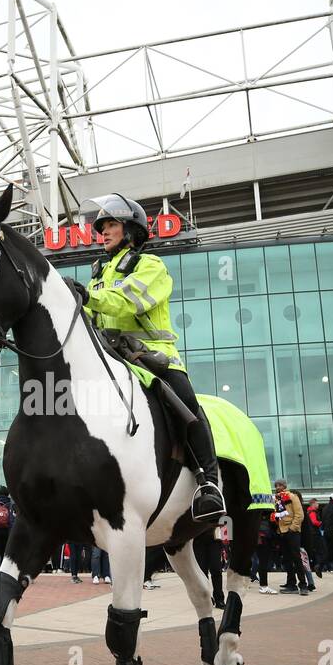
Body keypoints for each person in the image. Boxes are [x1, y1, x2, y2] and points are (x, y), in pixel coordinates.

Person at [80, 192, 224, 522]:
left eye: (111, 224)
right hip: (113, 359)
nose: (103, 231)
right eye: (101, 226)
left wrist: (88, 296)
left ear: (131, 231)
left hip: (155, 359)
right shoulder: (99, 275)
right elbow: (91, 317)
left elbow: (127, 300)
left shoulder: (151, 266)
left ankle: (209, 483)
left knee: (185, 403)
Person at [271, 480, 310, 596]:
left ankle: (303, 585)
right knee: (287, 559)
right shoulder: (276, 499)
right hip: (282, 531)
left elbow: (299, 514)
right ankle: (291, 584)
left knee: (296, 558)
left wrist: (293, 527)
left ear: (285, 486)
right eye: (276, 486)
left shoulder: (292, 497)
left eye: (280, 485)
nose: (278, 487)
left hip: (292, 531)